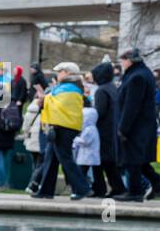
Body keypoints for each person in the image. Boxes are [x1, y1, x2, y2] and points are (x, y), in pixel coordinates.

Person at [35, 61, 90, 200]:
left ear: (68, 73)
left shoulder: (69, 88)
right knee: (51, 159)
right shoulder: (69, 87)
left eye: (60, 71)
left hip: (63, 127)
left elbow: (57, 104)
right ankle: (46, 191)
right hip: (62, 126)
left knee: (65, 159)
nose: (58, 74)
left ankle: (82, 187)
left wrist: (44, 99)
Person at [116, 47, 158, 201]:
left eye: (123, 60)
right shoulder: (142, 73)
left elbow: (131, 106)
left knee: (132, 160)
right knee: (140, 162)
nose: (121, 63)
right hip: (142, 125)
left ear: (129, 60)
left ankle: (135, 192)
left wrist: (123, 128)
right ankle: (157, 184)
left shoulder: (137, 77)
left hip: (136, 127)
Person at [89, 60, 128, 197]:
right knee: (108, 162)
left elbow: (99, 112)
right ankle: (117, 187)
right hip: (112, 129)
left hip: (102, 131)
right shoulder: (112, 88)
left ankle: (101, 188)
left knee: (99, 161)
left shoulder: (101, 90)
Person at [73, 107, 103, 197]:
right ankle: (98, 191)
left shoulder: (88, 130)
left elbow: (84, 141)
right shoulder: (92, 128)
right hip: (89, 156)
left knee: (81, 173)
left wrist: (75, 139)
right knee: (95, 174)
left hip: (87, 156)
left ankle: (80, 190)